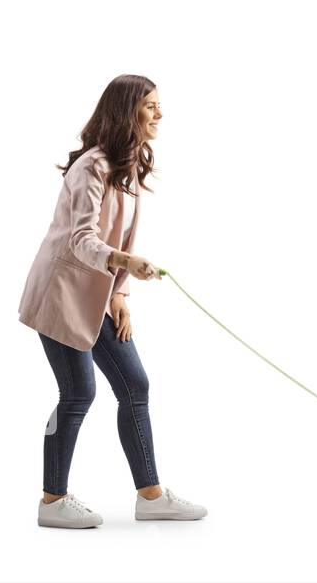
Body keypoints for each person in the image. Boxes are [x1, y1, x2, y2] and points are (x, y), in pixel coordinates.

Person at [20, 74, 207, 528]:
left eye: (159, 105)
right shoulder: (92, 166)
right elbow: (82, 239)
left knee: (134, 386)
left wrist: (120, 291)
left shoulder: (129, 165)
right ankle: (52, 502)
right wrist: (123, 261)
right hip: (61, 294)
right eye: (151, 106)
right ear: (128, 112)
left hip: (100, 293)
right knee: (79, 391)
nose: (159, 114)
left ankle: (151, 496)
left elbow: (119, 235)